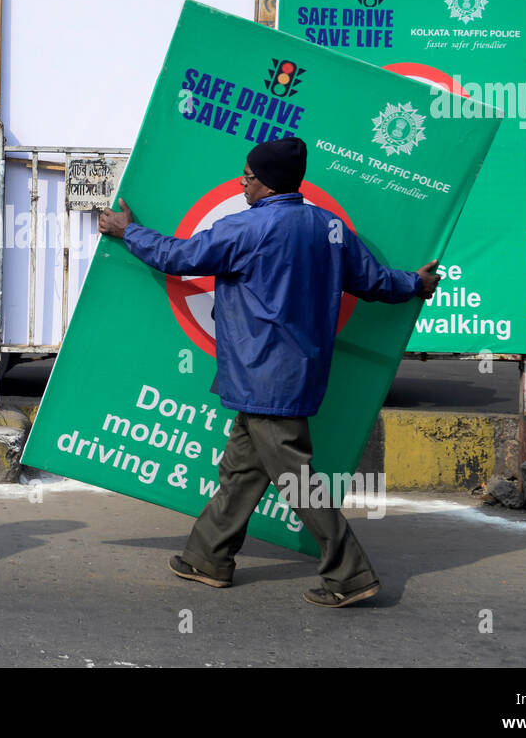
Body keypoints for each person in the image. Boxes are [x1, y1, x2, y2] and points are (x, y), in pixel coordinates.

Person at [97, 136, 439, 608]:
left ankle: (350, 574)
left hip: (261, 375)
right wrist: (414, 284)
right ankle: (208, 558)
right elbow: (373, 280)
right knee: (240, 468)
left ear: (269, 181)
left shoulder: (246, 229)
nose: (243, 180)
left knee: (296, 479)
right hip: (293, 375)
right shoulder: (330, 227)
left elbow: (179, 257)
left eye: (250, 175)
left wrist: (127, 231)